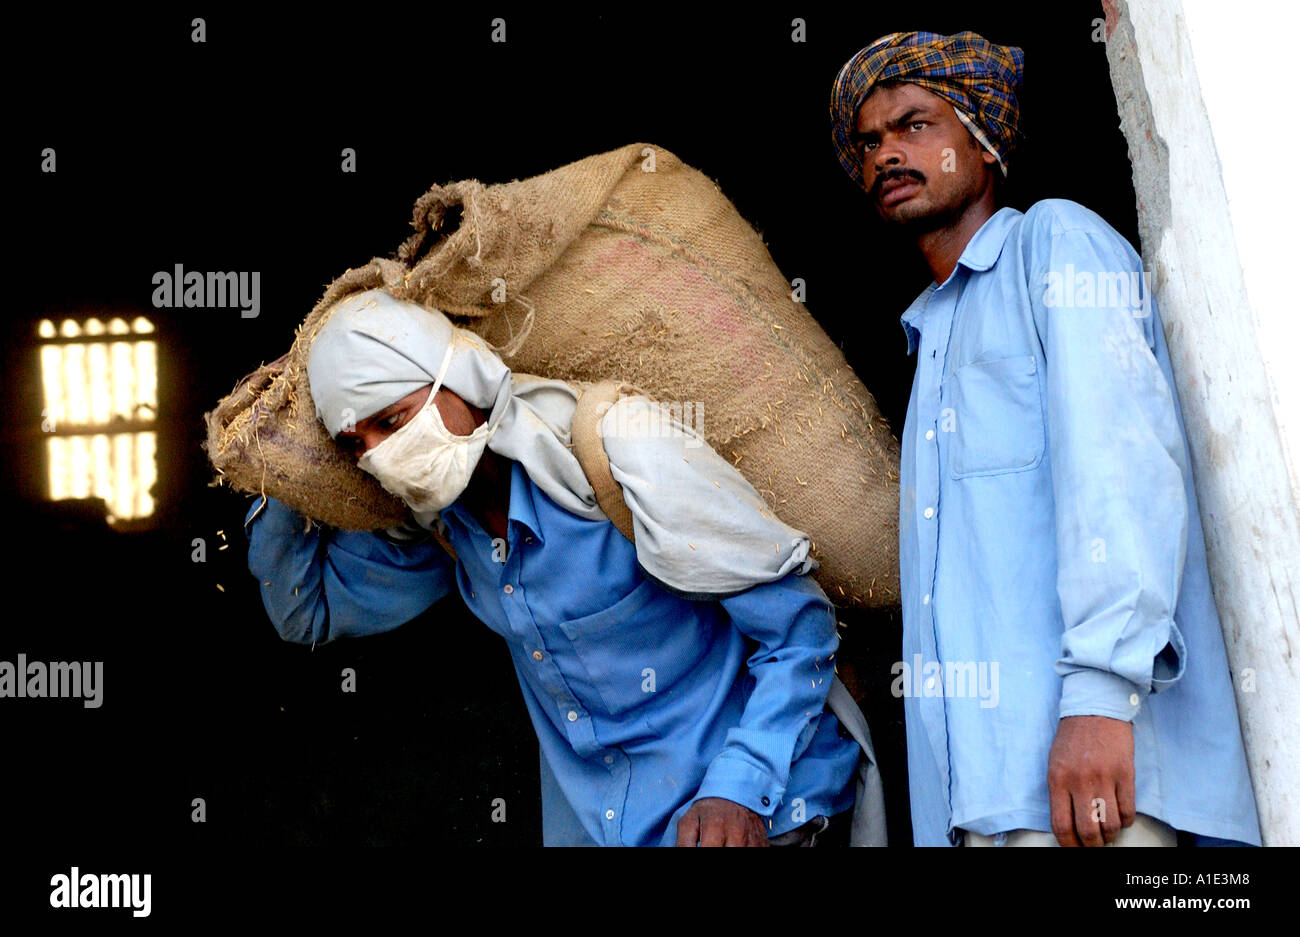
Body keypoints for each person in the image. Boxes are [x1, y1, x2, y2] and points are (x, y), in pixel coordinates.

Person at [828, 30, 1261, 847]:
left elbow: (1122, 472)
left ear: (982, 143)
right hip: (988, 806)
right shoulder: (929, 338)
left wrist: (1100, 696)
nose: (885, 151)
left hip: (1095, 786)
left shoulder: (1053, 247)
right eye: (869, 140)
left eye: (915, 125)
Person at [244, 288, 862, 846]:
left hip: (764, 814)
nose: (381, 455)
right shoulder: (441, 527)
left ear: (461, 382)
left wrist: (740, 783)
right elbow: (303, 611)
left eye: (393, 420)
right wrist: (283, 470)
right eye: (356, 445)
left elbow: (800, 629)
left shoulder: (615, 454)